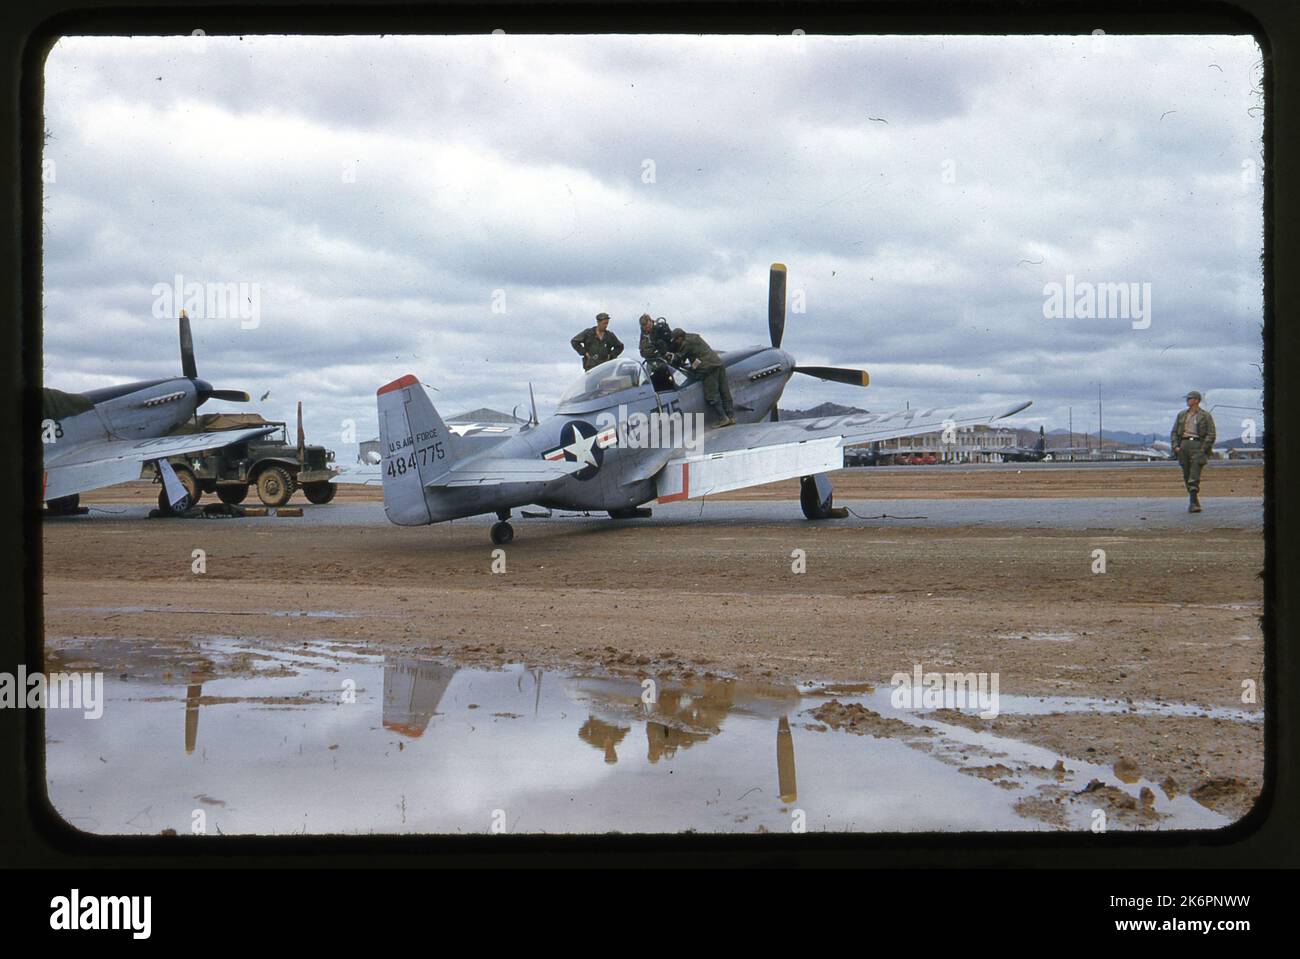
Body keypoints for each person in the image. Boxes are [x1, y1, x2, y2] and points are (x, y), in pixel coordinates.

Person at [668, 328, 735, 426]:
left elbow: (680, 358)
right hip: (718, 364)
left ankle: (723, 418)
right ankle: (731, 417)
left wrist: (672, 356)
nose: (676, 343)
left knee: (712, 395)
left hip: (708, 369)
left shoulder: (685, 344)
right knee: (724, 391)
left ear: (680, 338)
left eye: (676, 340)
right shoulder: (694, 336)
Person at [1170, 390, 1216, 512]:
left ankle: (1193, 502)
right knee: (1186, 474)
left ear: (1196, 400)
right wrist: (1176, 446)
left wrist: (1203, 448)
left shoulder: (1205, 416)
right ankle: (1194, 500)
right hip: (1183, 445)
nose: (1187, 401)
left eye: (1189, 398)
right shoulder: (1181, 415)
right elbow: (1174, 432)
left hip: (1197, 445)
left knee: (1194, 475)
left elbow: (1211, 434)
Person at [638, 314, 676, 391]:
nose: (647, 330)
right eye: (645, 328)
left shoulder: (661, 328)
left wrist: (665, 353)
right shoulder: (644, 333)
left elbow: (670, 343)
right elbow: (642, 348)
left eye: (648, 327)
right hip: (651, 361)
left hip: (664, 360)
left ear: (651, 322)